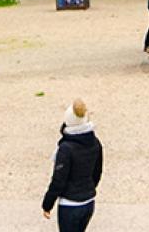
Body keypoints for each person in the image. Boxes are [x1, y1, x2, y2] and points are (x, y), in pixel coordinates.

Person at [41, 98, 103, 229]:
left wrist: (47, 204)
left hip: (70, 205)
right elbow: (97, 172)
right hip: (89, 202)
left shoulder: (66, 149)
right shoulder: (95, 143)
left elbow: (58, 180)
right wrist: (88, 189)